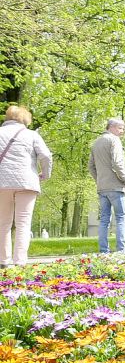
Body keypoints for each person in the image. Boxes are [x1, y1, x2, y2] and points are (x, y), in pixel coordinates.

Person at [0, 105, 51, 267]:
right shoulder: (32, 135)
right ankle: (20, 261)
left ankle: (3, 261)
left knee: (3, 222)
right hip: (26, 182)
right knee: (23, 222)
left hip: (2, 183)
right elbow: (46, 155)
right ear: (25, 119)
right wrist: (45, 173)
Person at [89, 118, 125, 253]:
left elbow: (91, 166)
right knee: (121, 217)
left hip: (102, 187)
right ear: (111, 127)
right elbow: (118, 164)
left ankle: (103, 250)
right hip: (116, 186)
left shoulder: (96, 142)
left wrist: (99, 179)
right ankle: (121, 249)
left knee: (104, 220)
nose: (122, 131)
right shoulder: (114, 140)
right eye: (120, 128)